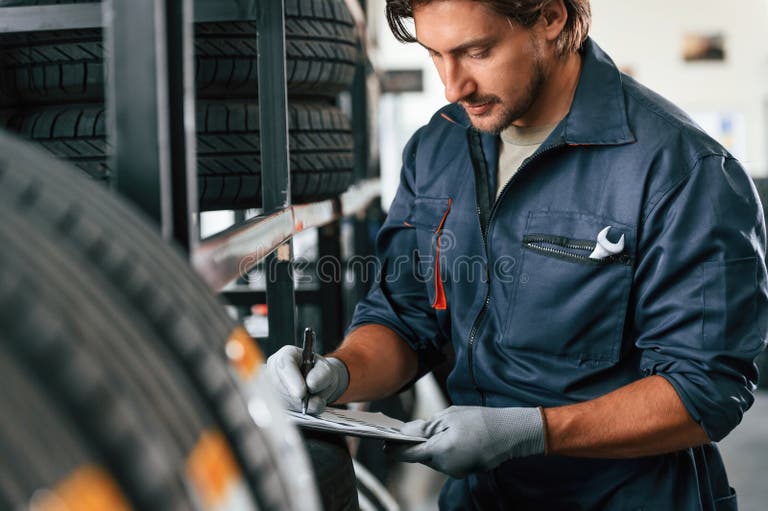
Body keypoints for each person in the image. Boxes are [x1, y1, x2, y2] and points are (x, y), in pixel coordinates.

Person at [266, 0, 768, 508]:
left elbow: (704, 390)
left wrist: (532, 431)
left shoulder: (684, 170)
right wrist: (338, 372)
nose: (452, 86)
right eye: (435, 54)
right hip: (481, 498)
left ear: (552, 18)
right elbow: (404, 318)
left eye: (476, 51)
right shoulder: (437, 148)